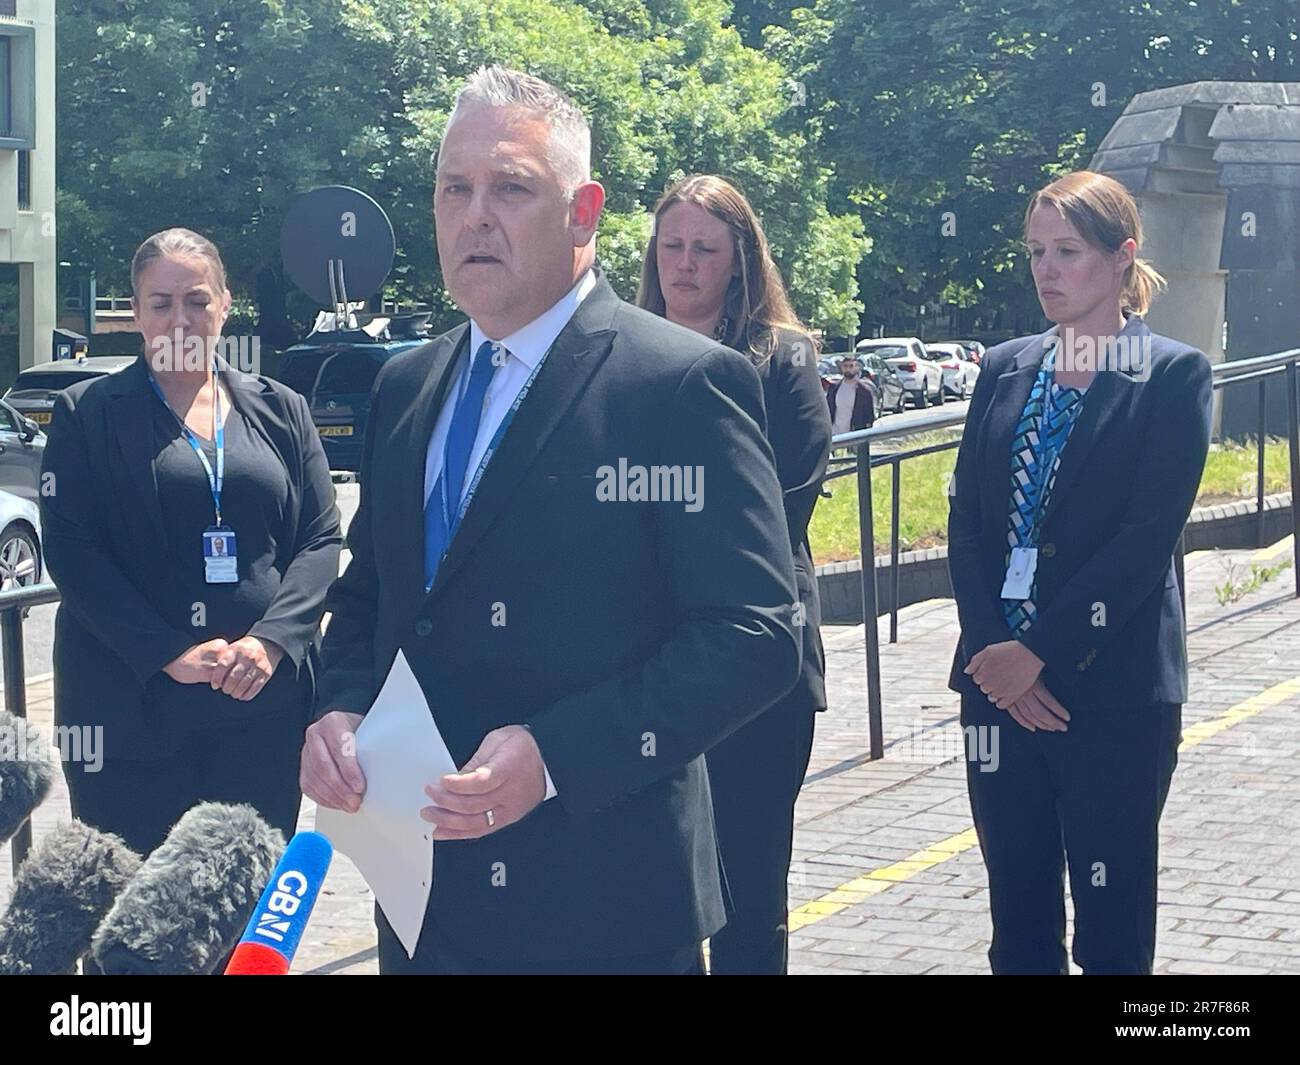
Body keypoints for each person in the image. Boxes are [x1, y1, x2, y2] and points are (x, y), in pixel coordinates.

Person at [300, 67, 802, 975]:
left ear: (585, 212)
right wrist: (337, 707)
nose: (474, 215)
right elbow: (369, 596)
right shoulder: (405, 385)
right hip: (422, 898)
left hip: (601, 904)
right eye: (455, 188)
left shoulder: (678, 384)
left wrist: (556, 756)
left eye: (510, 187)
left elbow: (754, 634)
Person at [946, 170, 1212, 974]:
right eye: (1036, 252)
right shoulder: (1004, 367)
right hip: (996, 688)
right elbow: (969, 523)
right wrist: (995, 651)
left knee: (1112, 921)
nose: (1046, 271)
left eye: (1068, 252)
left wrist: (1043, 653)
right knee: (1018, 916)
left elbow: (1144, 538)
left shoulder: (1169, 374)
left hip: (1112, 693)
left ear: (1122, 258)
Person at [40, 228, 342, 855]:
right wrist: (168, 652)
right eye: (161, 302)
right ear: (136, 312)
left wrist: (272, 642)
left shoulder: (280, 408)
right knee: (133, 925)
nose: (181, 318)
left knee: (242, 910)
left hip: (261, 709)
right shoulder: (85, 414)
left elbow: (319, 538)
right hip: (131, 713)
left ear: (226, 304)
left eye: (197, 300)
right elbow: (73, 551)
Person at [636, 173, 830, 974]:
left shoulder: (783, 361)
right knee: (657, 892)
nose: (684, 264)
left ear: (740, 259)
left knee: (751, 892)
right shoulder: (620, 352)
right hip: (645, 662)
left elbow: (786, 506)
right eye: (671, 245)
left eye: (704, 249)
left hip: (754, 664)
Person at [827, 355, 875, 433]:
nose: (848, 369)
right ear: (841, 368)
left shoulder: (864, 391)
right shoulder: (834, 389)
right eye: (845, 366)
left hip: (854, 437)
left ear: (857, 368)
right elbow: (828, 411)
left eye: (851, 366)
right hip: (835, 435)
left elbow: (869, 418)